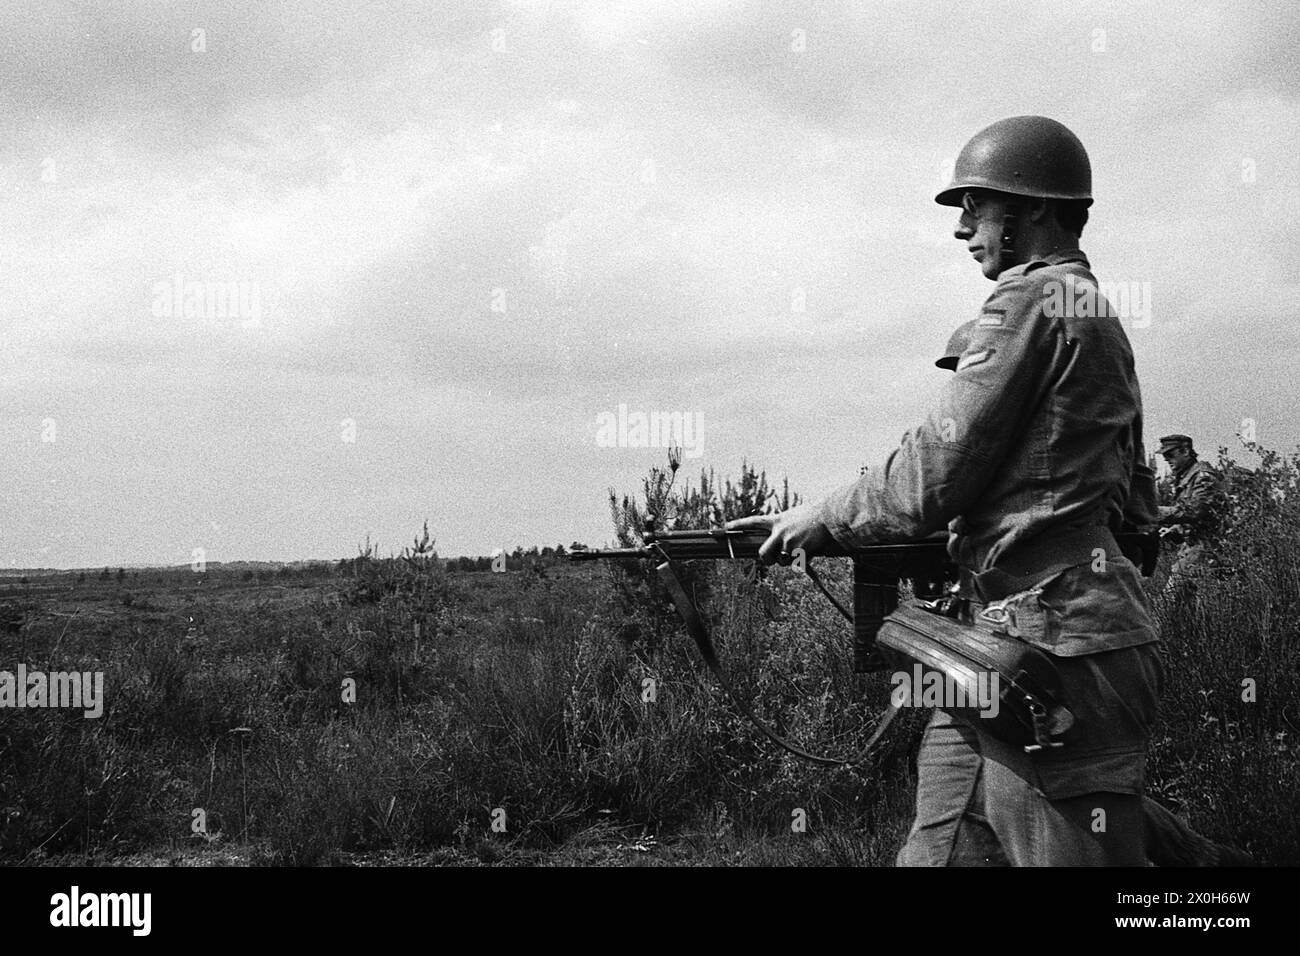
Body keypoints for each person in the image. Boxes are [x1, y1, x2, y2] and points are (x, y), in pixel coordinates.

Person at [730, 115, 1163, 865]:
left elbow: (933, 472)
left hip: (1048, 647)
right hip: (1002, 643)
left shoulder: (1031, 302)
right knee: (939, 849)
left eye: (976, 205)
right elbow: (1110, 504)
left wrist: (822, 517)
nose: (963, 227)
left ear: (1028, 208)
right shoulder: (1092, 312)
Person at [1156, 434, 1225, 594]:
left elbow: (1196, 511)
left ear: (1186, 451)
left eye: (1170, 454)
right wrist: (1175, 529)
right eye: (1165, 456)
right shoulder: (1187, 478)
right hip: (1193, 550)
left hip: (1206, 550)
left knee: (1174, 601)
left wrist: (1154, 512)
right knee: (1183, 605)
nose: (1167, 459)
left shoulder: (1202, 476)